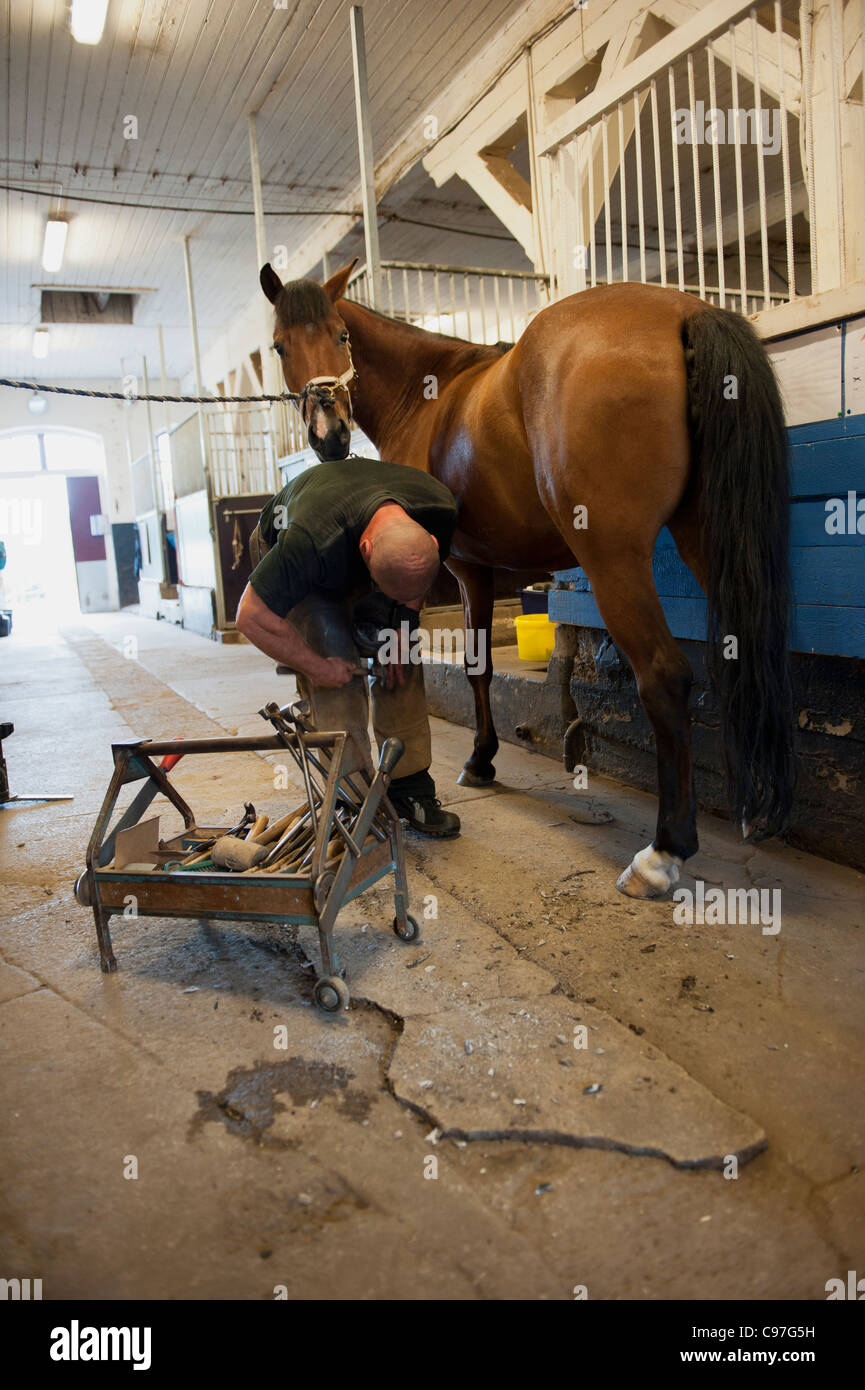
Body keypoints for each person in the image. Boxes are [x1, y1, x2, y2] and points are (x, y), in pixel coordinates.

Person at [237, 456, 461, 838]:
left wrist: (404, 625)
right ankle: (352, 797)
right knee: (331, 655)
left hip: (357, 542)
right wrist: (316, 667)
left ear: (433, 540)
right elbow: (250, 616)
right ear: (367, 549)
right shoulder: (305, 542)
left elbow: (416, 577)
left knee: (400, 656)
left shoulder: (439, 508)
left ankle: (409, 788)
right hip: (309, 559)